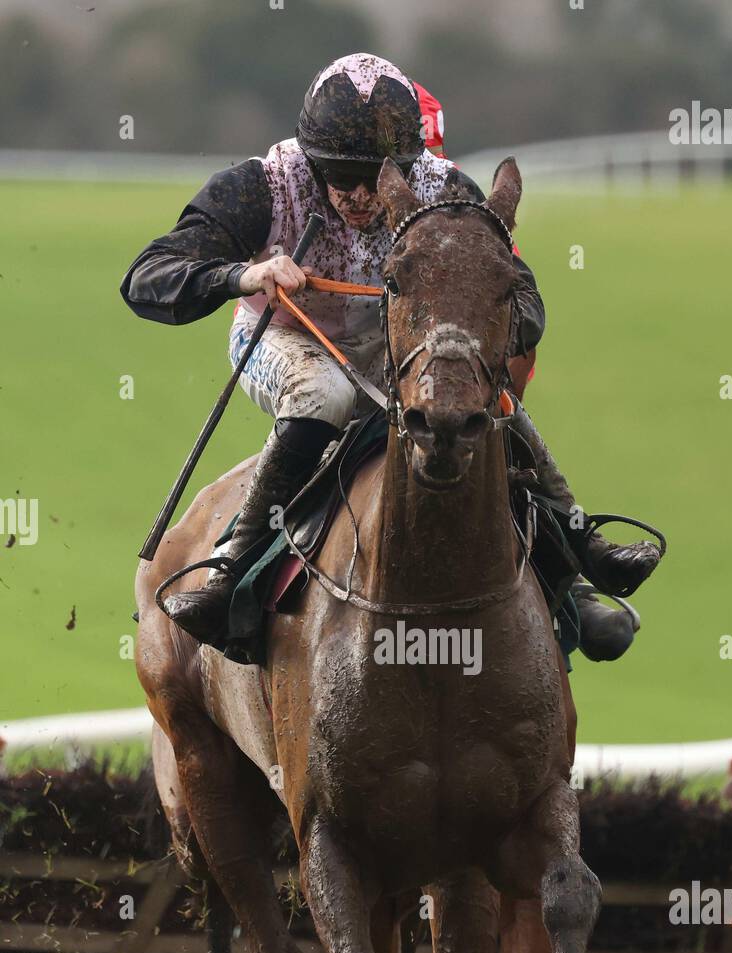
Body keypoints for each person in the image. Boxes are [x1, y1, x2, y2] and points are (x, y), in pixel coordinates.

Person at [121, 53, 657, 652]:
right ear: (311, 158)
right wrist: (242, 276)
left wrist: (479, 339)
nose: (357, 197)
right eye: (339, 177)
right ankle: (231, 568)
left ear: (406, 165)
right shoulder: (263, 183)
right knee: (325, 394)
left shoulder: (443, 189)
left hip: (400, 348)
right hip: (287, 334)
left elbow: (522, 293)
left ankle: (579, 567)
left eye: (375, 178)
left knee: (482, 401)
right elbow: (148, 276)